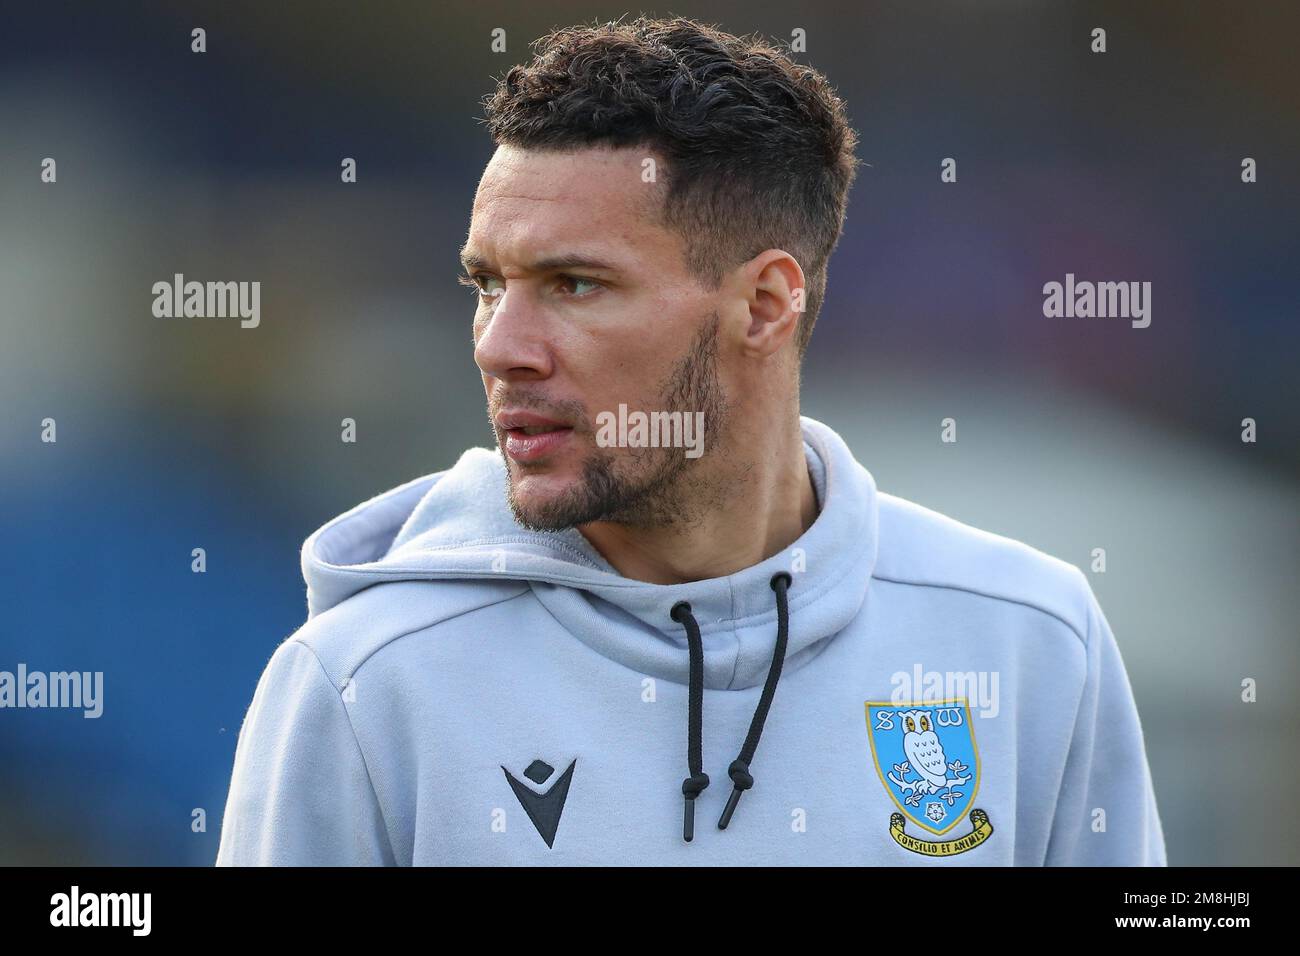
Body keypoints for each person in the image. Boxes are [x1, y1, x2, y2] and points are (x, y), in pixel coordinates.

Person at [216, 16, 1165, 865]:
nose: (501, 347)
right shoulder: (366, 684)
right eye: (487, 286)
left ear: (764, 304)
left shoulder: (1029, 640)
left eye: (574, 284)